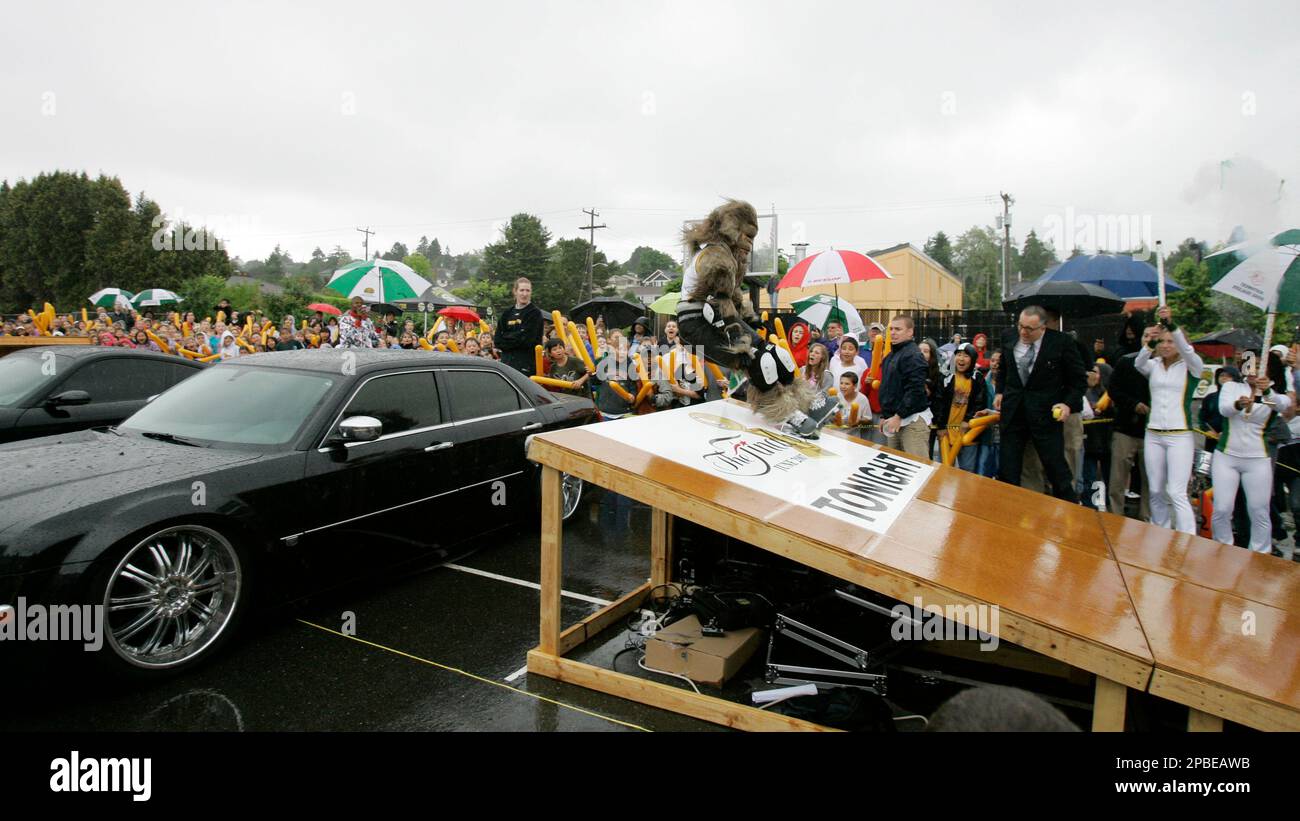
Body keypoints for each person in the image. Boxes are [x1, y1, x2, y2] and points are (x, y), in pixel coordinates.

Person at [993, 305, 1086, 502]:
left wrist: (1067, 404)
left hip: (1045, 415)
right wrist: (1000, 391)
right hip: (1013, 413)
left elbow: (1078, 380)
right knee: (1008, 469)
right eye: (1021, 326)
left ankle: (1071, 509)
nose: (1023, 332)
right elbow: (1004, 368)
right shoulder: (1009, 337)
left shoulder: (1061, 343)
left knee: (1056, 469)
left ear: (1042, 328)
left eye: (1029, 329)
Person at [1135, 306, 1204, 533]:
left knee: (1176, 491)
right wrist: (1151, 341)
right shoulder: (1153, 366)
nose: (1166, 345)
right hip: (1153, 434)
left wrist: (1171, 325)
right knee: (1155, 489)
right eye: (1162, 341)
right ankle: (1160, 532)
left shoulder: (1191, 367)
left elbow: (1188, 350)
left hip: (1179, 435)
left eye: (1170, 341)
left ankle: (1188, 537)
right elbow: (1139, 363)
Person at [1213, 373, 1292, 553]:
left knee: (1259, 509)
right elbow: (1224, 409)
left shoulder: (1274, 393)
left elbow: (1282, 405)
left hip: (1258, 459)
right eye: (1249, 364)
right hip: (1227, 456)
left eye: (1258, 365)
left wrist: (1266, 391)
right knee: (1222, 508)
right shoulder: (1232, 387)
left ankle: (1260, 551)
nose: (1253, 371)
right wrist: (1238, 404)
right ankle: (1222, 546)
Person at [1107, 323, 1157, 519]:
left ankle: (1147, 516)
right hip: (1125, 427)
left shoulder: (1163, 366)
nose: (1148, 340)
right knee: (1118, 476)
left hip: (1152, 431)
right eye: (1145, 337)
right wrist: (1133, 404)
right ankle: (1114, 515)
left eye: (1152, 337)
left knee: (1150, 479)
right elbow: (1113, 390)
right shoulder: (1126, 362)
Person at [878, 315, 933, 459]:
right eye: (891, 329)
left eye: (898, 329)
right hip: (894, 420)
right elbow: (889, 389)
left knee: (916, 470)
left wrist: (899, 415)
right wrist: (886, 415)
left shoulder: (913, 355)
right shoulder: (890, 356)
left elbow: (916, 391)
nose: (893, 332)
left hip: (912, 422)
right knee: (895, 469)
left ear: (910, 332)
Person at [934, 343, 988, 472]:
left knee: (967, 471)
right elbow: (938, 402)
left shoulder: (978, 378)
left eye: (966, 356)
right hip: (947, 432)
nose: (961, 359)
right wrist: (940, 426)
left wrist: (968, 420)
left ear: (973, 359)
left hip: (967, 433)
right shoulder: (946, 376)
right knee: (944, 470)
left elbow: (979, 402)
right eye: (959, 355)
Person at [1080, 363, 1114, 505]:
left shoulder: (1108, 394)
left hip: (1106, 441)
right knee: (1089, 477)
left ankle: (1106, 505)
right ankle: (1090, 505)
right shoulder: (1082, 392)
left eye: (1095, 372)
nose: (1091, 375)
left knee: (1109, 477)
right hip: (1089, 443)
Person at [496, 277, 545, 376]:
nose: (524, 294)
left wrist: (506, 337)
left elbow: (527, 341)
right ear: (515, 291)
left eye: (528, 290)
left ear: (531, 292)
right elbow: (497, 340)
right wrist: (516, 336)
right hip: (506, 364)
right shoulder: (507, 313)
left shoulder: (534, 313)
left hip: (525, 366)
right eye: (522, 290)